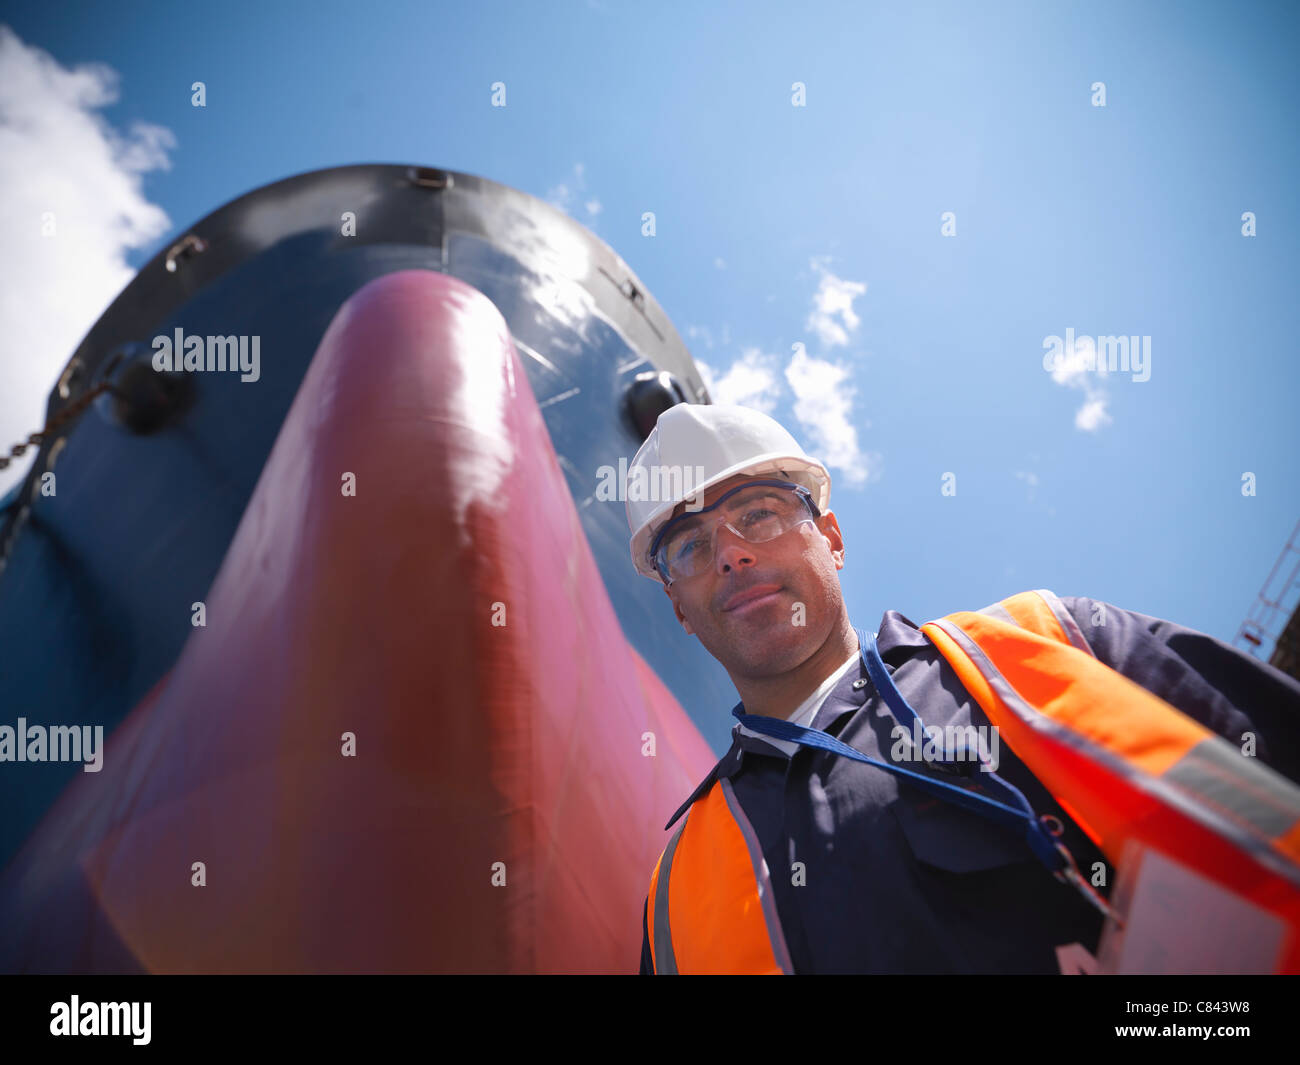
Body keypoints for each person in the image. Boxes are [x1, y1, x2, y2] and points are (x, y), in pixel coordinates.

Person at [626, 403, 1300, 974]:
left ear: (830, 536)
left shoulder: (1053, 644)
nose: (731, 553)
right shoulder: (674, 894)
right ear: (680, 609)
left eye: (761, 512)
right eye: (690, 545)